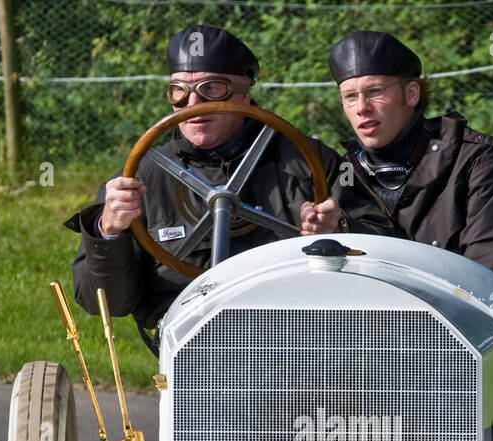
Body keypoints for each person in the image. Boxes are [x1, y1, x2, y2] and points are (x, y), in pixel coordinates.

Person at [65, 25, 389, 353]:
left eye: (211, 88)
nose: (193, 103)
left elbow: (381, 247)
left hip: (298, 335)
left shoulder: (311, 162)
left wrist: (339, 229)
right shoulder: (141, 177)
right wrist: (108, 232)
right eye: (179, 90)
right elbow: (104, 303)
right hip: (191, 342)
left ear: (244, 92)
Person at [328, 30, 493, 318]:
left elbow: (490, 285)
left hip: (484, 341)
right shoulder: (343, 174)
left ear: (411, 93)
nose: (362, 107)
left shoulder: (483, 165)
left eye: (375, 91)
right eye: (350, 97)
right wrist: (332, 232)